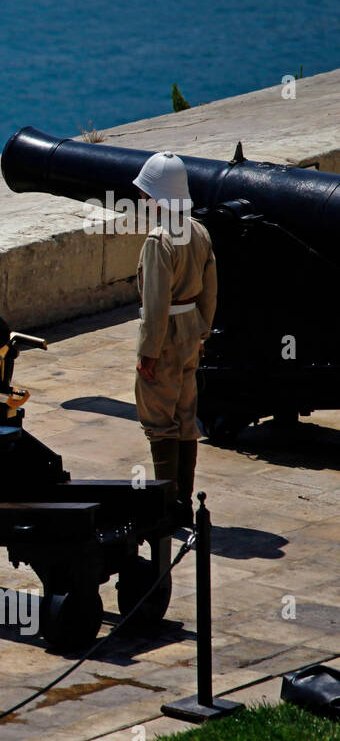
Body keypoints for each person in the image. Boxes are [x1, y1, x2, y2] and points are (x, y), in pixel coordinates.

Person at [132, 151, 217, 526]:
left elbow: (155, 302)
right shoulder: (199, 231)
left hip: (165, 336)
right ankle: (184, 500)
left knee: (159, 419)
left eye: (146, 193)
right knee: (185, 417)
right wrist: (203, 330)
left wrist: (148, 352)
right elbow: (210, 290)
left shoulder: (158, 240)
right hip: (190, 331)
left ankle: (167, 506)